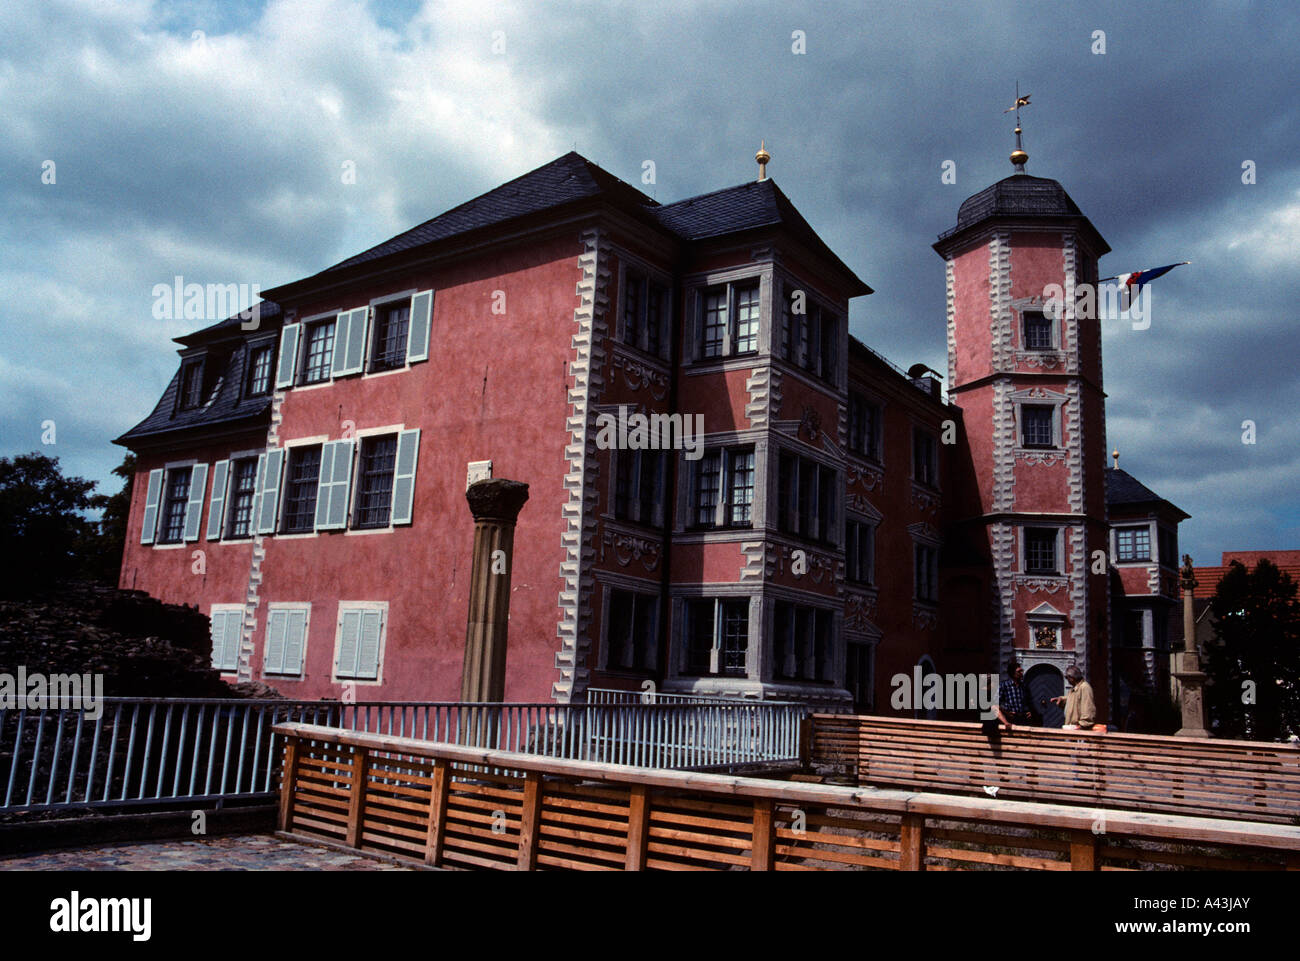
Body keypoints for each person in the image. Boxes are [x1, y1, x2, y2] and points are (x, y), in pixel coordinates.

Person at [1048, 664, 1096, 730]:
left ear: (1072, 678)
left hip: (1080, 728)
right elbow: (1072, 700)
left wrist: (1083, 724)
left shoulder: (1084, 687)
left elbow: (1088, 707)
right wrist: (1061, 699)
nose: (1068, 681)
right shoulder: (1074, 689)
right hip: (1072, 726)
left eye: (1068, 678)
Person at [996, 660, 1035, 731]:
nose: (1021, 673)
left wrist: (1030, 711)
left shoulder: (1024, 686)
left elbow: (1029, 701)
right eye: (1019, 671)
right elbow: (995, 704)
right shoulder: (1004, 685)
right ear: (1012, 673)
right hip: (1010, 718)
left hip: (1023, 718)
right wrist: (1006, 713)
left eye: (1021, 671)